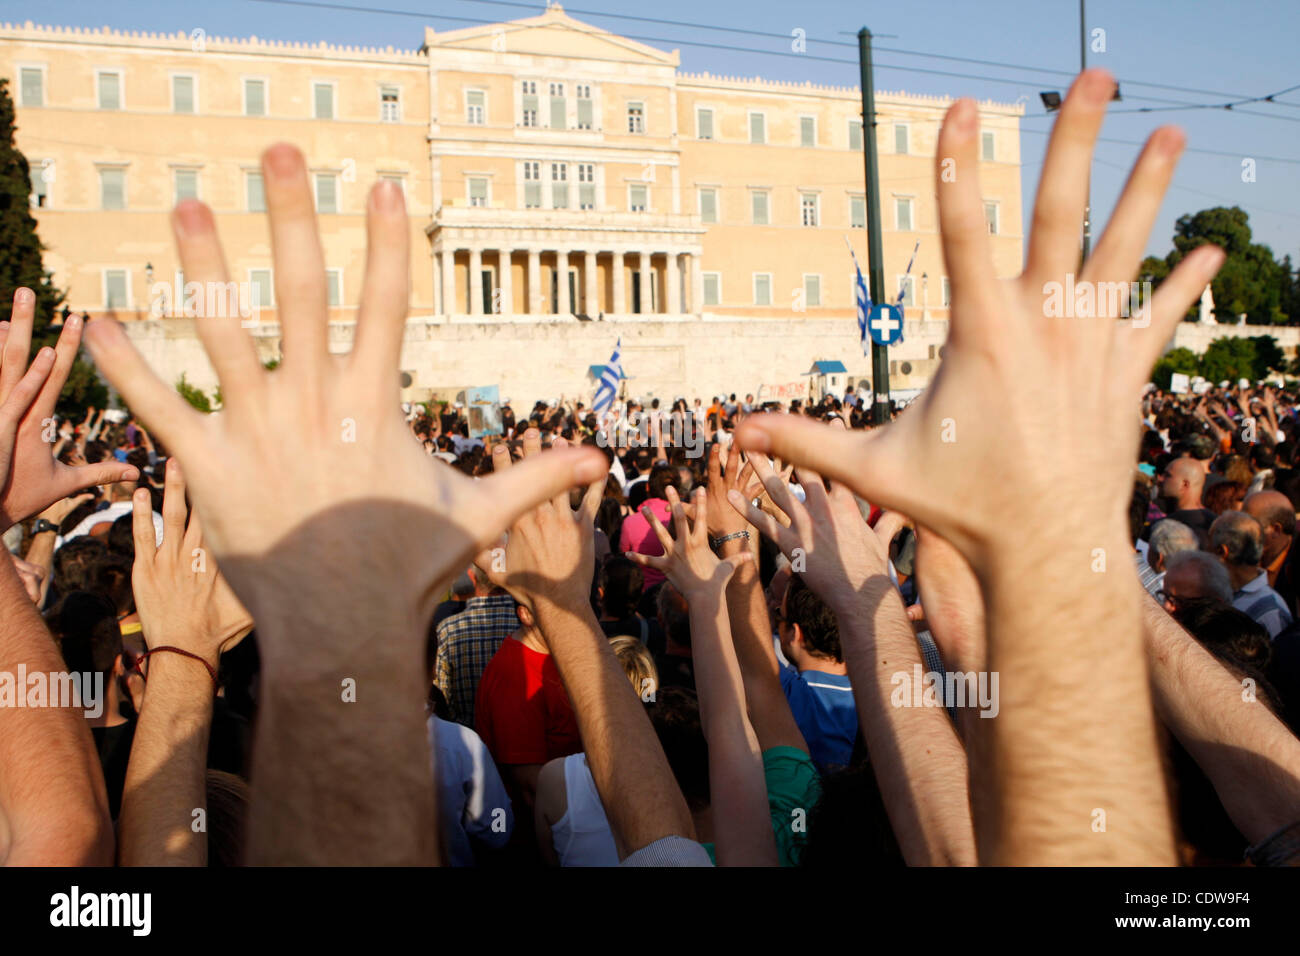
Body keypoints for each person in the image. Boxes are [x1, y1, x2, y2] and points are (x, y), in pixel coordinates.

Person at [434, 562, 519, 726]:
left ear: (472, 578)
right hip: (523, 738)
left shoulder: (448, 630)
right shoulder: (527, 624)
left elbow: (441, 698)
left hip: (467, 740)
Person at [1207, 511, 1293, 638]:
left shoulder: (1270, 611)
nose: (1205, 555)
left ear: (1222, 552)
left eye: (1208, 548)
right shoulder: (1217, 592)